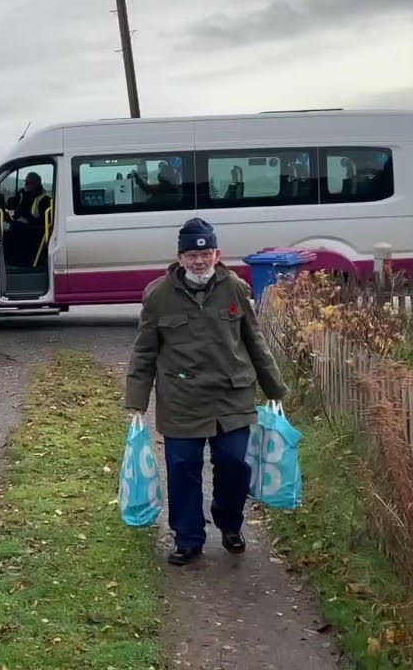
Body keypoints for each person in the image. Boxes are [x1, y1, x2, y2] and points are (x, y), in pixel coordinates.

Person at [124, 217, 289, 566]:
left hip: (232, 395)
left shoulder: (235, 288)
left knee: (233, 464)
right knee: (183, 467)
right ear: (180, 257)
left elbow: (254, 339)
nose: (199, 262)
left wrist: (273, 385)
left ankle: (230, 524)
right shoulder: (159, 296)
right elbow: (144, 351)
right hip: (182, 400)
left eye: (206, 254)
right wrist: (136, 401)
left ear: (217, 254)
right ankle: (188, 538)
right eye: (191, 255)